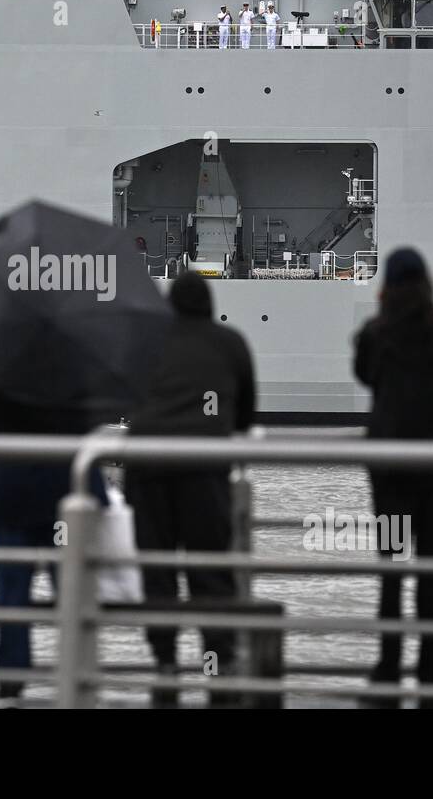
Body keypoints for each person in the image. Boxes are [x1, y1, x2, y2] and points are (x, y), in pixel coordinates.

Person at [125, 272, 256, 708]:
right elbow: (244, 415)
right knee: (211, 573)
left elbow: (128, 400)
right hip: (204, 470)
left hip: (148, 469)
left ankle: (165, 667)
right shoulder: (231, 343)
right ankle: (218, 670)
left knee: (157, 572)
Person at [352, 247, 433, 707]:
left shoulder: (375, 334)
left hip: (389, 471)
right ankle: (429, 667)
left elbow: (362, 373)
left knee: (391, 572)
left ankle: (387, 667)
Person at [0, 398, 108, 707]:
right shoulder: (79, 365)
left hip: (12, 488)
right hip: (67, 487)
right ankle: (78, 680)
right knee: (74, 595)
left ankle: (10, 686)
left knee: (12, 595)